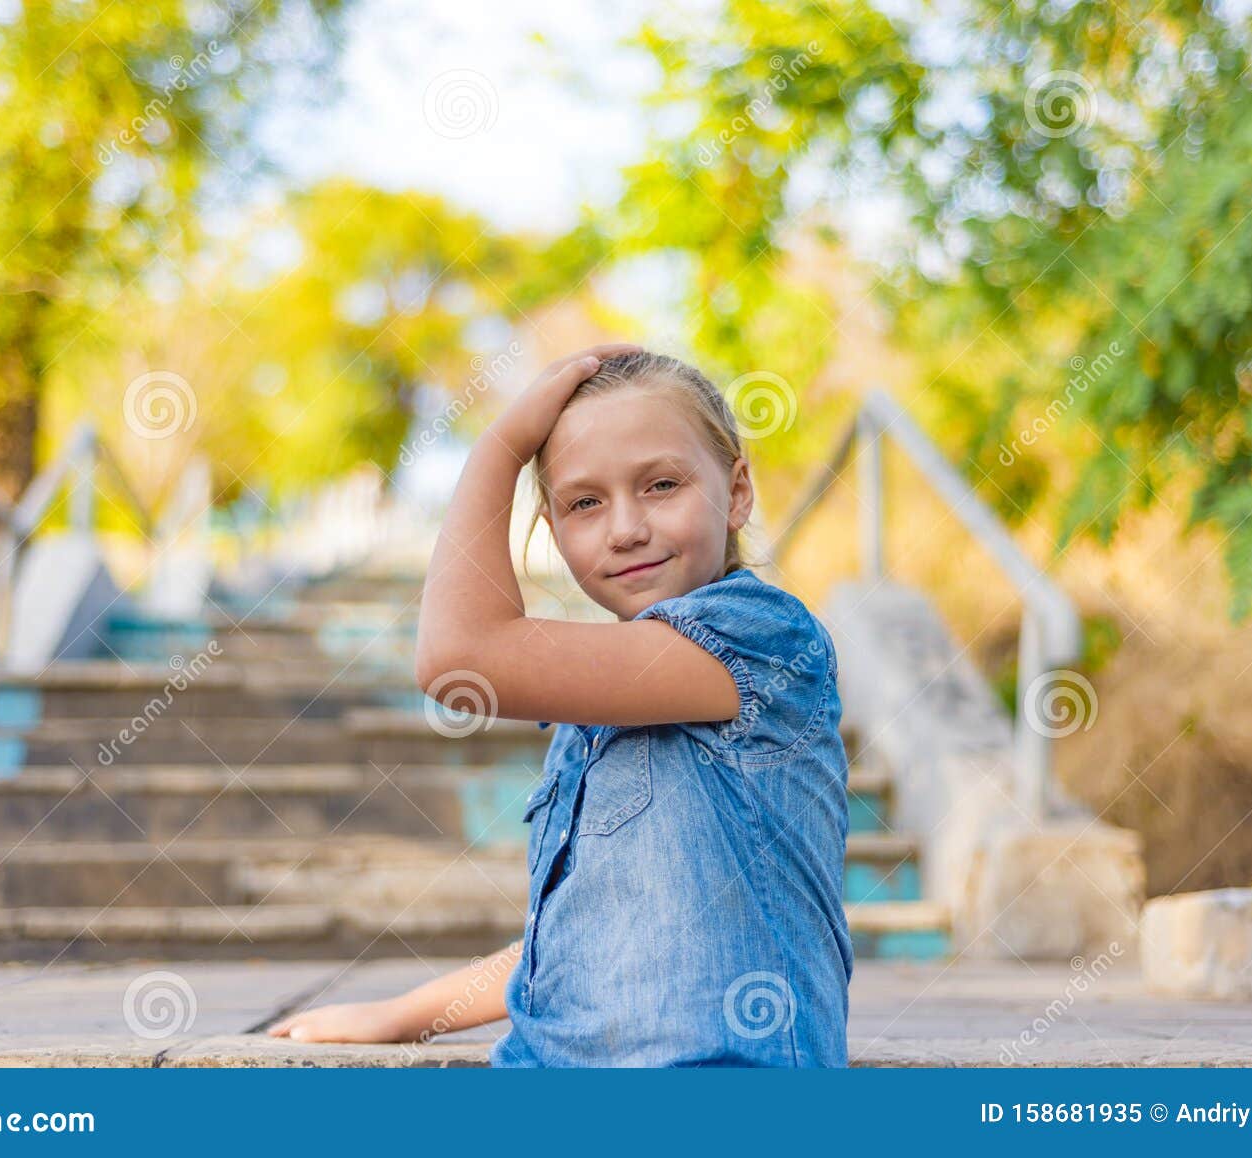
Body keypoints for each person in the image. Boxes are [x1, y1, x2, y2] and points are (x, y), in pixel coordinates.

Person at [268, 345, 853, 1066]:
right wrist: (401, 1014)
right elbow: (584, 941)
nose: (625, 528)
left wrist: (499, 447)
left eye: (662, 485)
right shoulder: (593, 711)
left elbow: (457, 660)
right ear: (551, 529)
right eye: (585, 503)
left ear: (736, 493)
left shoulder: (760, 639)